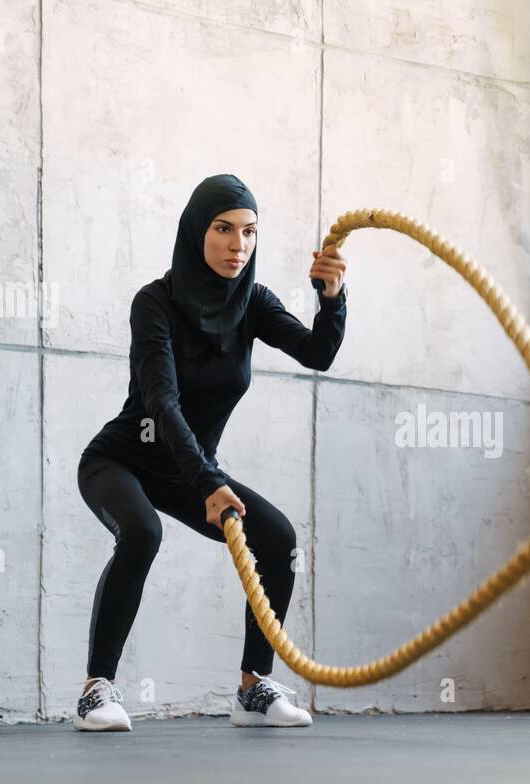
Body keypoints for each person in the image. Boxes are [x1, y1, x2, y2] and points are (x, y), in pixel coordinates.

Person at [73, 173, 347, 732]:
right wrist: (206, 482)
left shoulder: (253, 303)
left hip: (189, 470)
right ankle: (95, 691)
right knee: (143, 532)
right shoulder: (154, 303)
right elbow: (162, 402)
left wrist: (332, 297)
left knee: (278, 540)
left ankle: (252, 689)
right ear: (197, 230)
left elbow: (318, 353)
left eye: (248, 232)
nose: (237, 245)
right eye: (223, 229)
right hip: (123, 459)